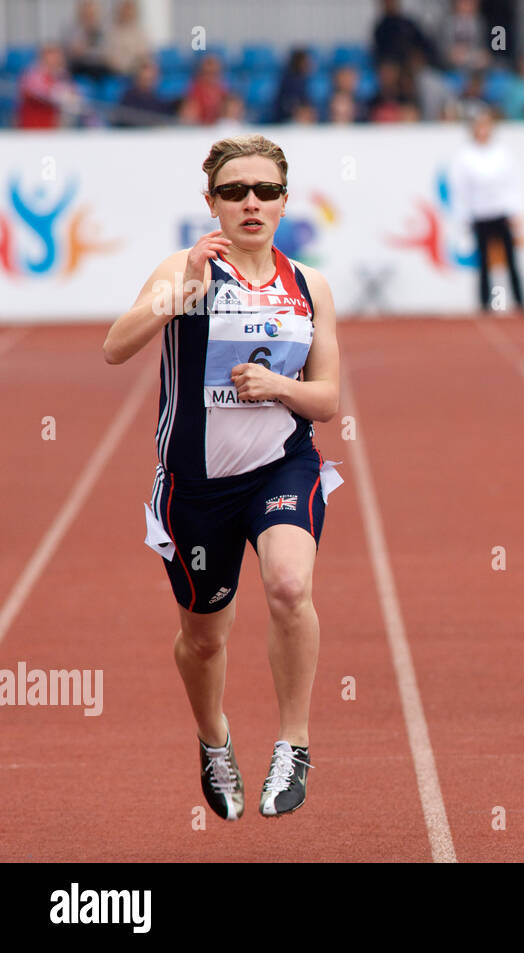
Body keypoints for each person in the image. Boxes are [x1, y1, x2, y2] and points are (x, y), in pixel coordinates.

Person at [102, 134, 342, 817]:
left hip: (280, 466)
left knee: (291, 585)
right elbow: (114, 348)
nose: (251, 202)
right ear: (211, 202)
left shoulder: (309, 285)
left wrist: (278, 387)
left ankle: (293, 743)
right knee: (205, 636)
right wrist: (174, 299)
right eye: (235, 191)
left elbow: (327, 398)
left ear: (285, 201)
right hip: (195, 487)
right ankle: (215, 738)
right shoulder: (187, 268)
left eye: (265, 190)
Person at [449, 109, 524, 313]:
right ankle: (485, 304)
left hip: (501, 213)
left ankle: (521, 303)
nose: (483, 131)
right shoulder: (464, 156)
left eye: (486, 127)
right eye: (479, 127)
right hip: (480, 215)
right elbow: (460, 189)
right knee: (483, 263)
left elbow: (513, 184)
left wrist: (516, 210)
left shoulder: (502, 153)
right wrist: (463, 216)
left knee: (511, 261)